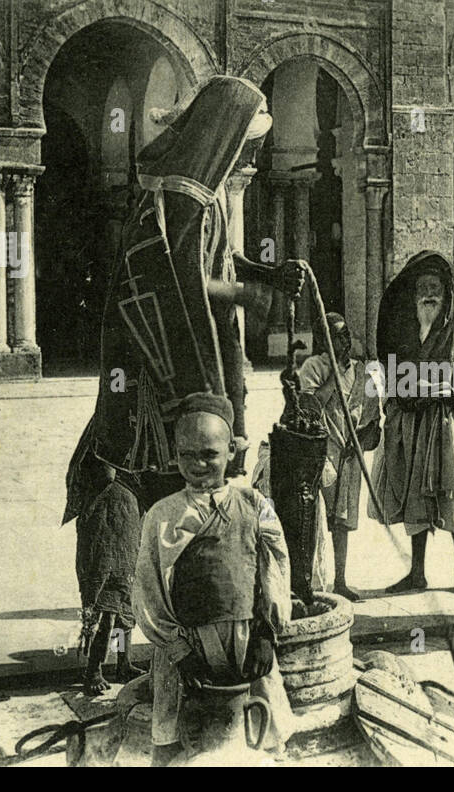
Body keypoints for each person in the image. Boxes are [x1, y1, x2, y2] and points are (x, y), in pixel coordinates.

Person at [90, 75, 308, 507]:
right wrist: (246, 294)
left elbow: (220, 261)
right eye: (249, 139)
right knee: (177, 481)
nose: (254, 150)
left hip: (206, 345)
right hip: (169, 363)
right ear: (225, 138)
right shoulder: (177, 200)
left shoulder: (205, 198)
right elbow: (179, 283)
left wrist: (269, 273)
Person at [134, 393, 295, 766]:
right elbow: (148, 589)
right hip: (186, 647)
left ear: (232, 452)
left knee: (255, 737)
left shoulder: (254, 505)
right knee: (181, 741)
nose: (198, 464)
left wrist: (267, 635)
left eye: (209, 454)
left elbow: (275, 572)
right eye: (187, 454)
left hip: (244, 640)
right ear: (175, 453)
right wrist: (178, 651)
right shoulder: (163, 515)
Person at [369, 252, 454, 598]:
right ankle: (417, 573)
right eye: (423, 288)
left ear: (446, 292)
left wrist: (435, 392)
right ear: (414, 294)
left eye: (435, 288)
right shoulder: (407, 325)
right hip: (414, 425)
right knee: (416, 498)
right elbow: (393, 370)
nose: (429, 294)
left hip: (448, 427)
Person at [296, 313, 382, 601]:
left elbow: (373, 420)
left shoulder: (364, 372)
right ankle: (309, 582)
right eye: (336, 336)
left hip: (349, 458)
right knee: (318, 519)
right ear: (323, 341)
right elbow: (306, 407)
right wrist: (333, 377)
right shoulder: (313, 367)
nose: (344, 341)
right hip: (322, 454)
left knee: (342, 523)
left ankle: (340, 580)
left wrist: (364, 438)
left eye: (346, 335)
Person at [62, 420, 146, 696]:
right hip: (104, 535)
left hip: (127, 529)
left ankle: (123, 663)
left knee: (125, 609)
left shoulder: (134, 440)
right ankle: (93, 669)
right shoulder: (100, 442)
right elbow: (105, 475)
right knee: (106, 609)